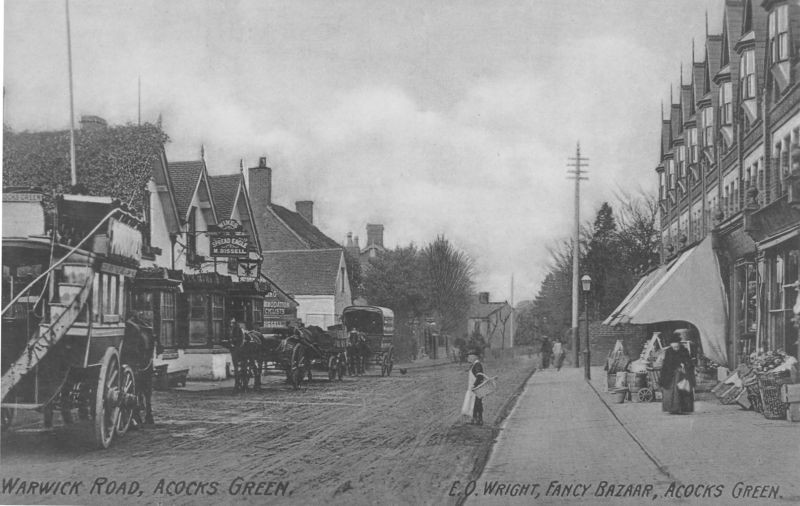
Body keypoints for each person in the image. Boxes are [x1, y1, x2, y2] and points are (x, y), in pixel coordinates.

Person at [659, 334, 696, 414]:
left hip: (682, 374)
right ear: (671, 345)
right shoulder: (669, 351)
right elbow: (667, 363)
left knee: (682, 389)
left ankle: (683, 408)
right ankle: (672, 408)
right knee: (671, 391)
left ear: (679, 344)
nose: (676, 348)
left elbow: (688, 361)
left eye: (677, 346)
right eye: (674, 346)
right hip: (670, 374)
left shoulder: (684, 350)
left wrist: (684, 364)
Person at [460, 348, 486, 425]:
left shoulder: (477, 365)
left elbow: (480, 376)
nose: (468, 358)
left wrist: (474, 385)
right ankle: (475, 419)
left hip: (476, 389)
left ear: (475, 357)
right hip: (474, 389)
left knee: (477, 404)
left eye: (470, 356)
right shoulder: (474, 365)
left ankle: (478, 420)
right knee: (474, 404)